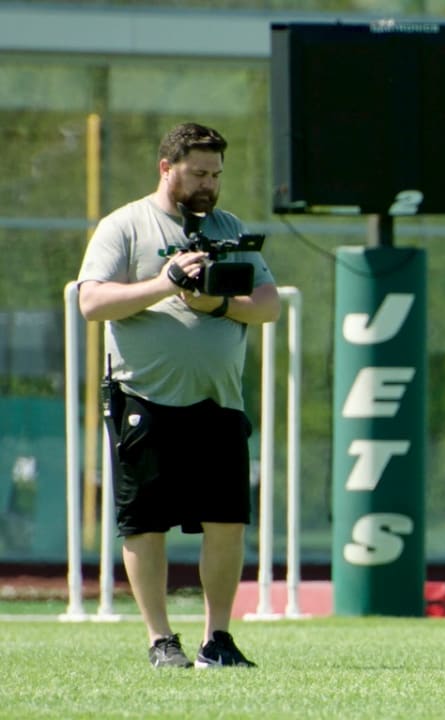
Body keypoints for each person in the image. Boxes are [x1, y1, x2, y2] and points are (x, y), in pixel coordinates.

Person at [76, 122, 279, 669]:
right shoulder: (125, 225)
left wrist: (218, 306)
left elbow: (267, 304)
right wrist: (168, 281)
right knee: (145, 523)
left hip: (218, 401)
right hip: (144, 397)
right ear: (167, 168)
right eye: (199, 173)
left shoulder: (228, 226)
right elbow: (92, 303)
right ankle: (161, 639)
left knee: (228, 522)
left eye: (216, 174)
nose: (210, 184)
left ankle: (218, 638)